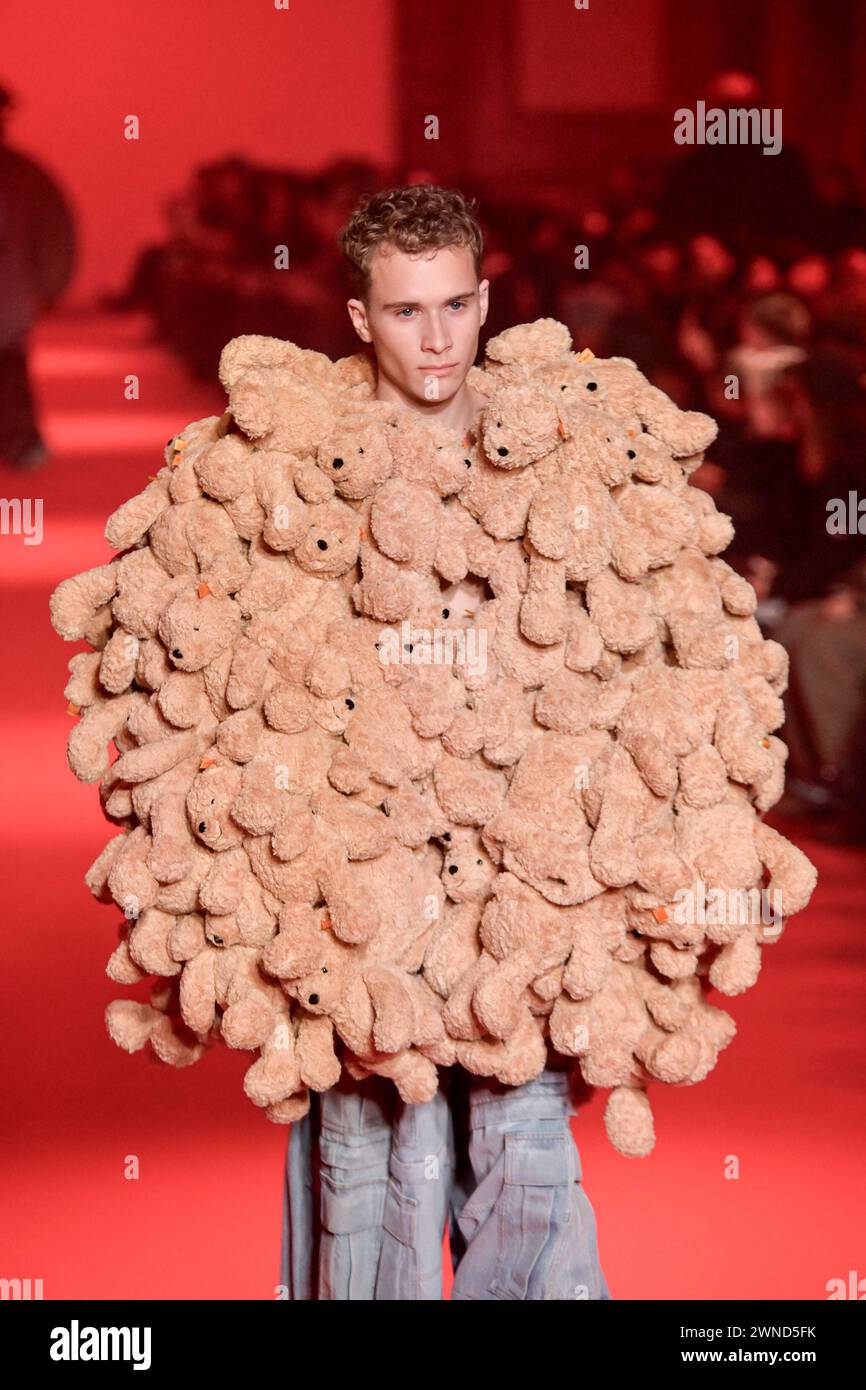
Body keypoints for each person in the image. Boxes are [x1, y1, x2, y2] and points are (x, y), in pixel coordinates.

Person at [279, 183, 613, 1301]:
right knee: (375, 1169)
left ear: (486, 299)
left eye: (457, 305)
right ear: (359, 318)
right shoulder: (303, 463)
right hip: (372, 876)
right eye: (407, 311)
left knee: (526, 1153)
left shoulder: (557, 445)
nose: (438, 337)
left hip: (518, 866)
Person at [0, 81, 76, 469]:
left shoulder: (25, 176)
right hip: (14, 293)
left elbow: (53, 232)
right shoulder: (27, 175)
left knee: (11, 369)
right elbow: (55, 232)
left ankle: (19, 440)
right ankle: (19, 441)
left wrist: (50, 285)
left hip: (10, 293)